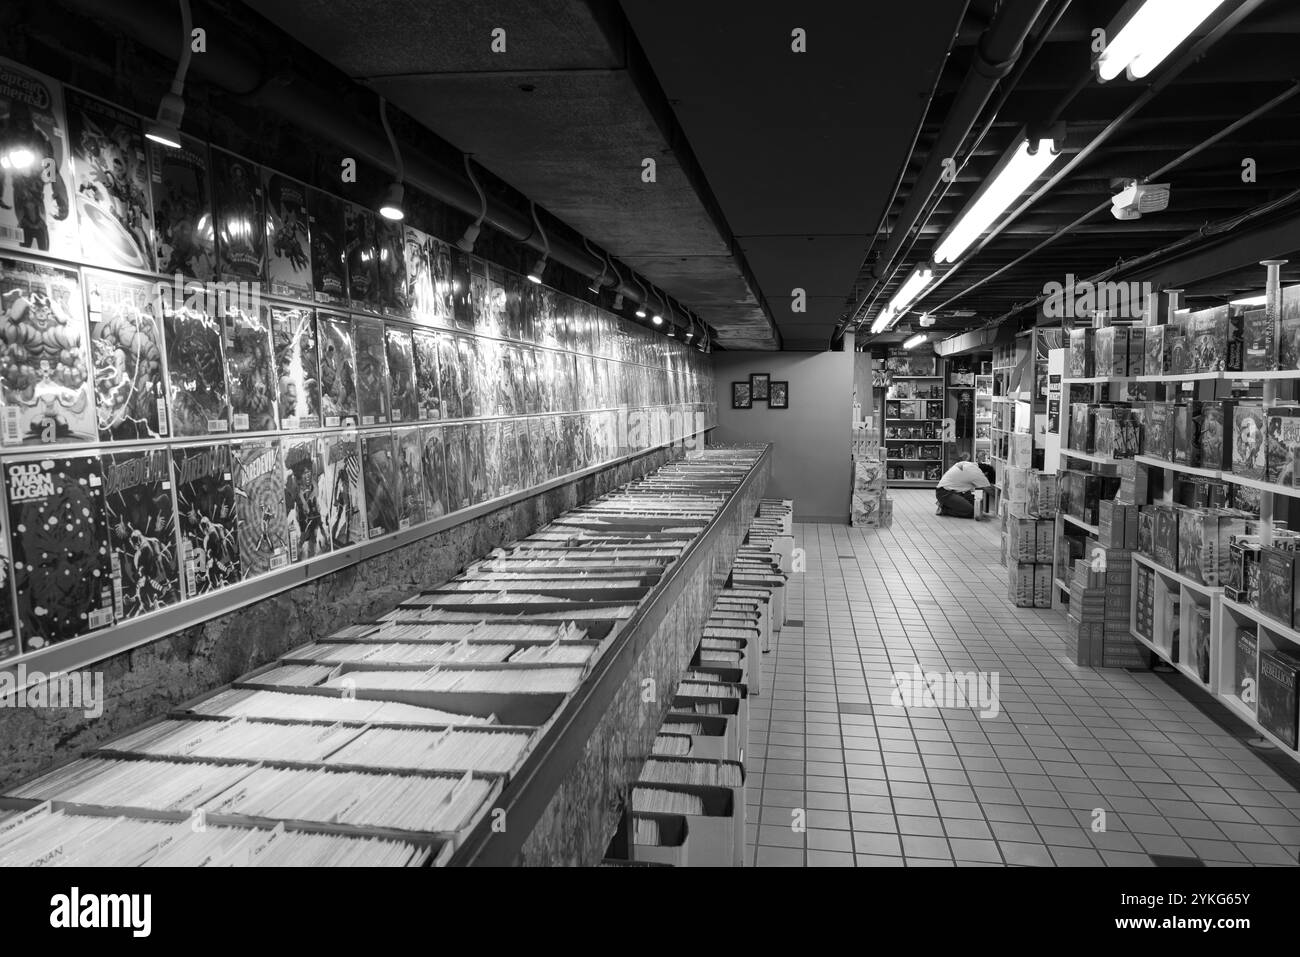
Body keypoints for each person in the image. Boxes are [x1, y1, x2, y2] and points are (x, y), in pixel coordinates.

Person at [935, 452, 990, 518]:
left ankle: (947, 504)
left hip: (950, 491)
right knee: (971, 511)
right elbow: (987, 488)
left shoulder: (968, 464)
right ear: (985, 473)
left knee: (974, 505)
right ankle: (944, 509)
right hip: (945, 493)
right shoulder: (976, 472)